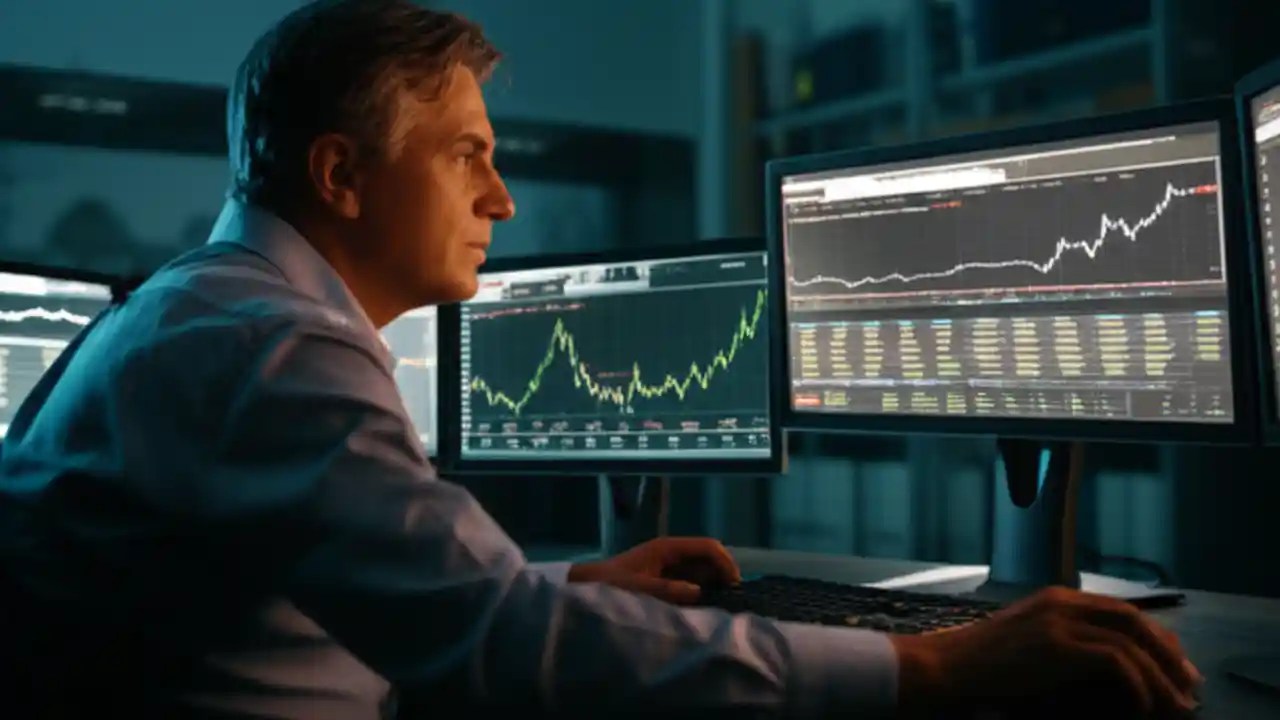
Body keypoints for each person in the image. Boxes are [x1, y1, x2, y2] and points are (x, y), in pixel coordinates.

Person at [0, 1, 1202, 718]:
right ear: (338, 174)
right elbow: (498, 654)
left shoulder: (204, 314)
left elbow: (362, 599)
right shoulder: (262, 344)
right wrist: (934, 676)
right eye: (467, 154)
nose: (505, 201)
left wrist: (568, 589)